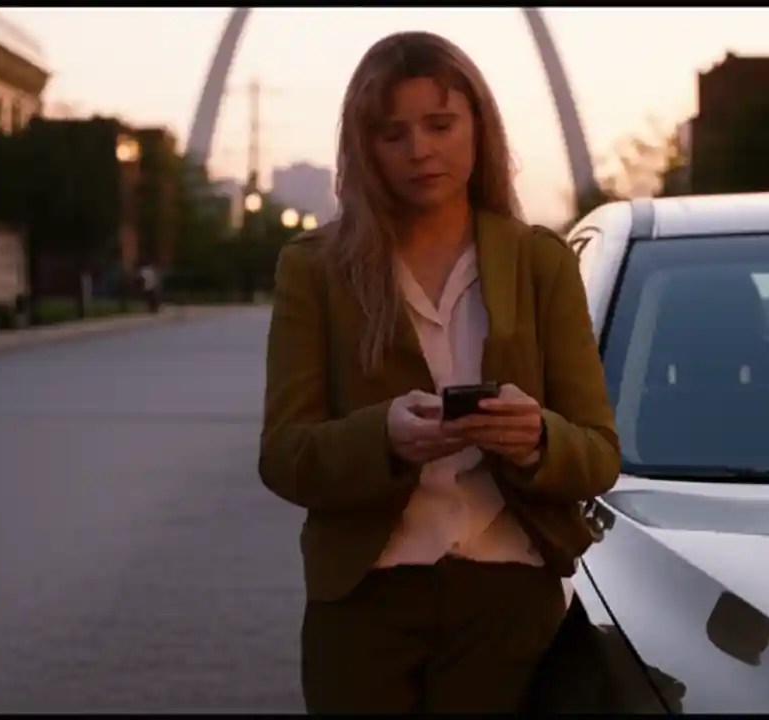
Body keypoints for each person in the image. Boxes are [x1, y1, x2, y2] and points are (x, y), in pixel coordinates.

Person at [258, 30, 620, 713]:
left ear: (478, 126)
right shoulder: (314, 269)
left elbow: (599, 455)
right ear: (363, 150)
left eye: (440, 123)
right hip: (364, 604)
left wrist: (536, 437)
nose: (421, 149)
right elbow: (283, 456)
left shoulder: (540, 262)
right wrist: (383, 439)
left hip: (509, 598)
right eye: (393, 133)